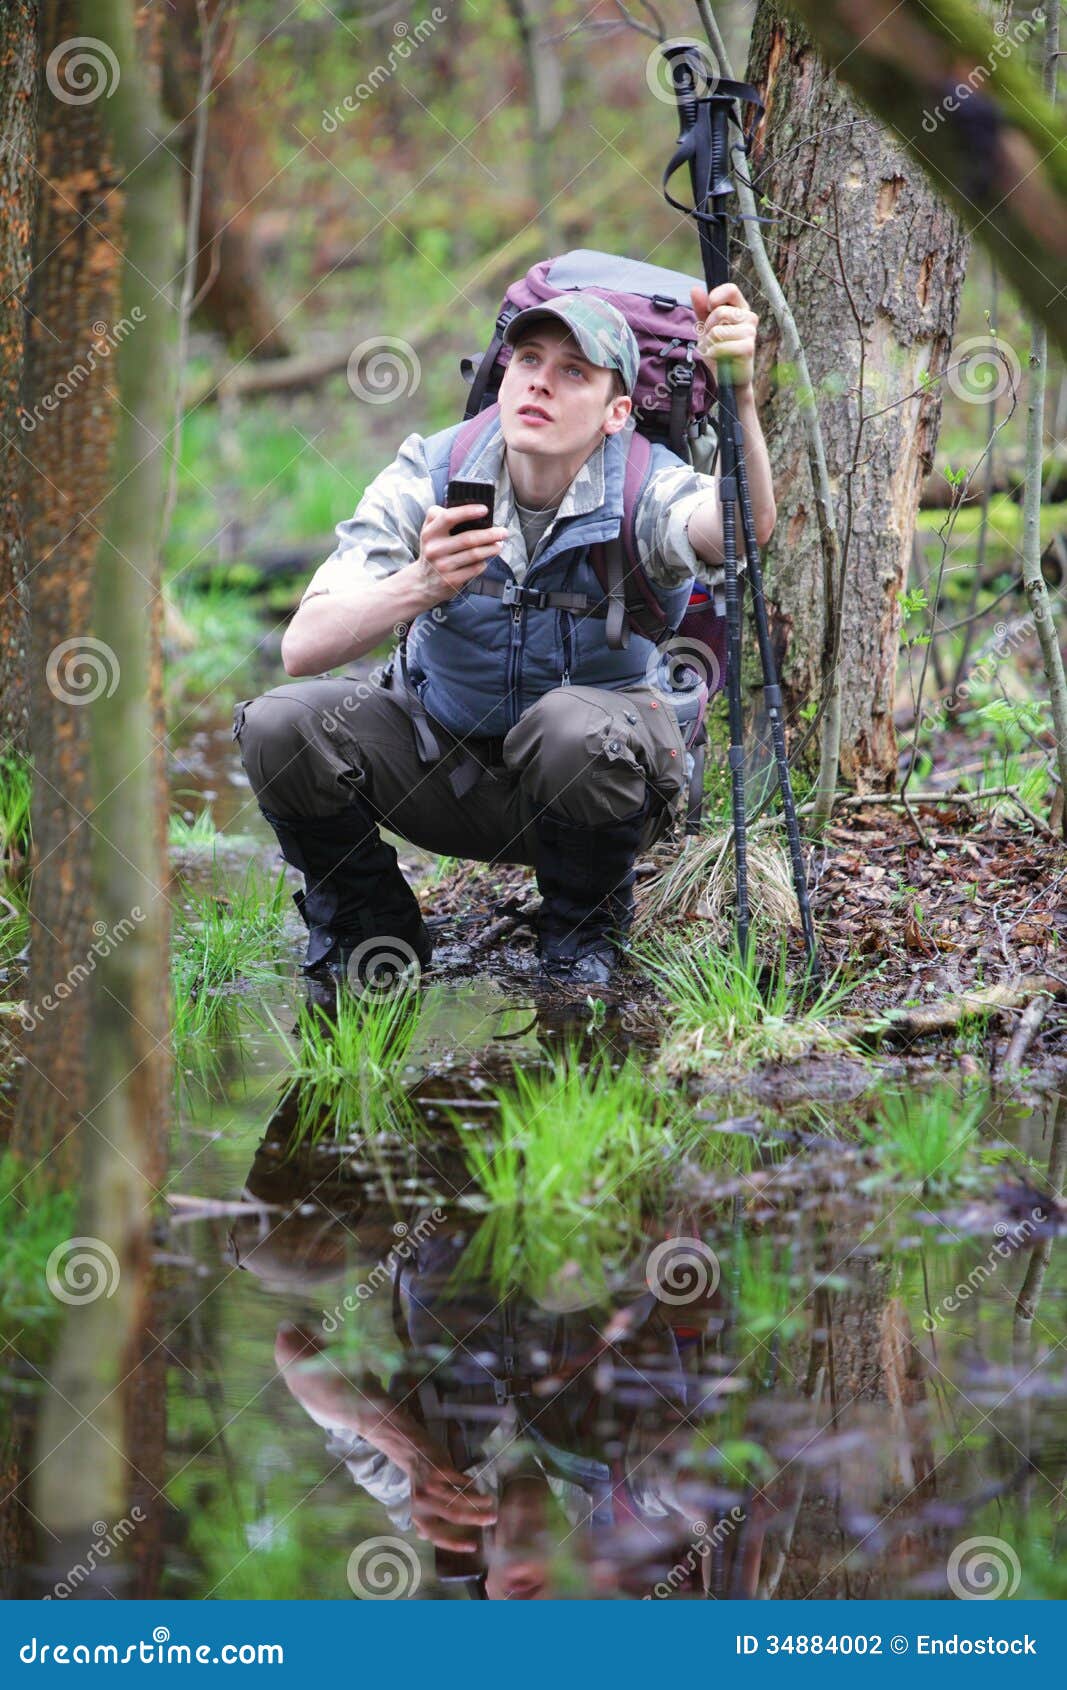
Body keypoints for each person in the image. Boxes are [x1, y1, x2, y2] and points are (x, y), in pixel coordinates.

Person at [233, 282, 775, 992]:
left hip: (594, 777)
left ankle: (582, 937)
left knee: (569, 727)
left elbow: (742, 529)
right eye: (527, 360)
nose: (540, 384)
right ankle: (368, 928)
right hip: (440, 768)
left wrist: (739, 399)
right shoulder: (428, 474)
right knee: (279, 725)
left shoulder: (647, 487)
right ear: (502, 375)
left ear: (617, 413)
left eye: (573, 371)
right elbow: (302, 648)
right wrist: (421, 585)